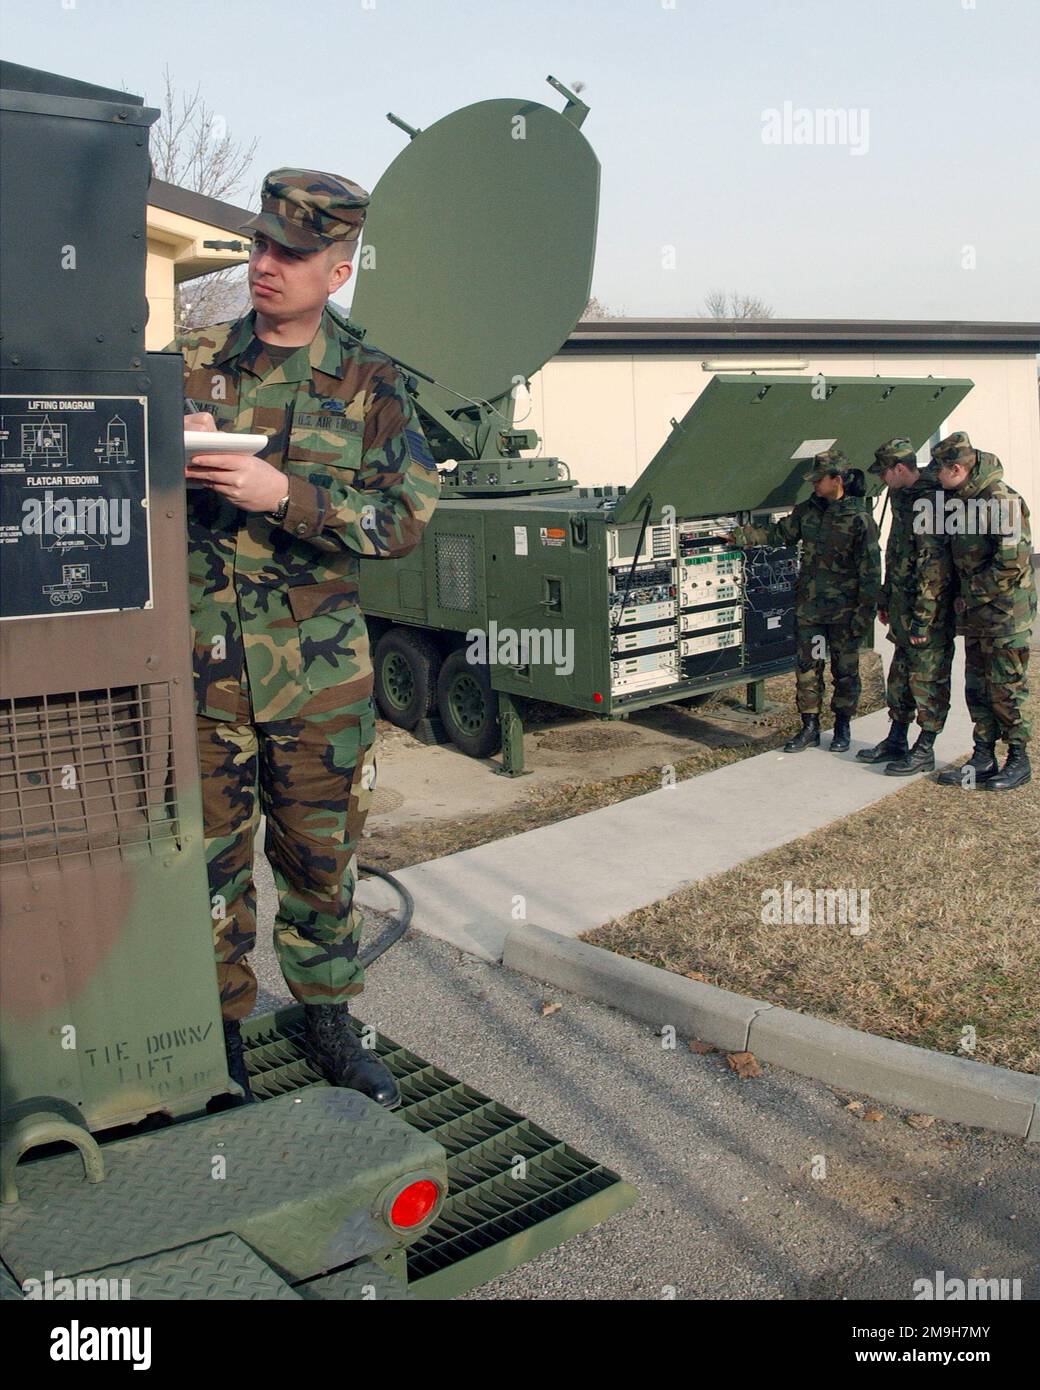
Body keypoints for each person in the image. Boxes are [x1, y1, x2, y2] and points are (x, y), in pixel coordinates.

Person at [167, 169, 440, 1105]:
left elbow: (404, 519)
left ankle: (327, 1022)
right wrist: (165, 446)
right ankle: (219, 1040)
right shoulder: (192, 362)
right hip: (203, 673)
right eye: (260, 245)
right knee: (209, 869)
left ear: (338, 271)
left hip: (318, 681)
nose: (265, 264)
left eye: (290, 252)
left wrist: (287, 495)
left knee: (321, 865)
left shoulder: (372, 383)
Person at [726, 449, 881, 753]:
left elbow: (871, 572)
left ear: (837, 480)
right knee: (807, 668)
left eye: (819, 480)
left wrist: (865, 614)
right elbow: (780, 534)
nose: (814, 485)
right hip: (810, 608)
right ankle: (810, 726)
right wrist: (743, 537)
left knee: (845, 672)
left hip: (844, 612)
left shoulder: (859, 519)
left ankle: (842, 726)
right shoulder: (807, 511)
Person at [930, 432, 1035, 791]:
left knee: (1006, 689)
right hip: (977, 617)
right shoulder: (965, 500)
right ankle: (983, 756)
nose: (936, 478)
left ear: (957, 469)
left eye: (940, 471)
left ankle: (1018, 759)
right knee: (977, 689)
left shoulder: (1001, 501)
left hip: (1005, 616)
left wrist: (970, 595)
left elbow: (1011, 563)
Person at [856, 439, 955, 775]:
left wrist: (923, 620)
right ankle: (896, 739)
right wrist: (886, 597)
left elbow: (934, 567)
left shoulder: (931, 500)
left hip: (927, 612)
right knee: (899, 678)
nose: (881, 479)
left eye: (883, 472)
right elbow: (896, 552)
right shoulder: (902, 497)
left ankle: (925, 748)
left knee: (928, 680)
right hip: (903, 605)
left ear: (899, 468)